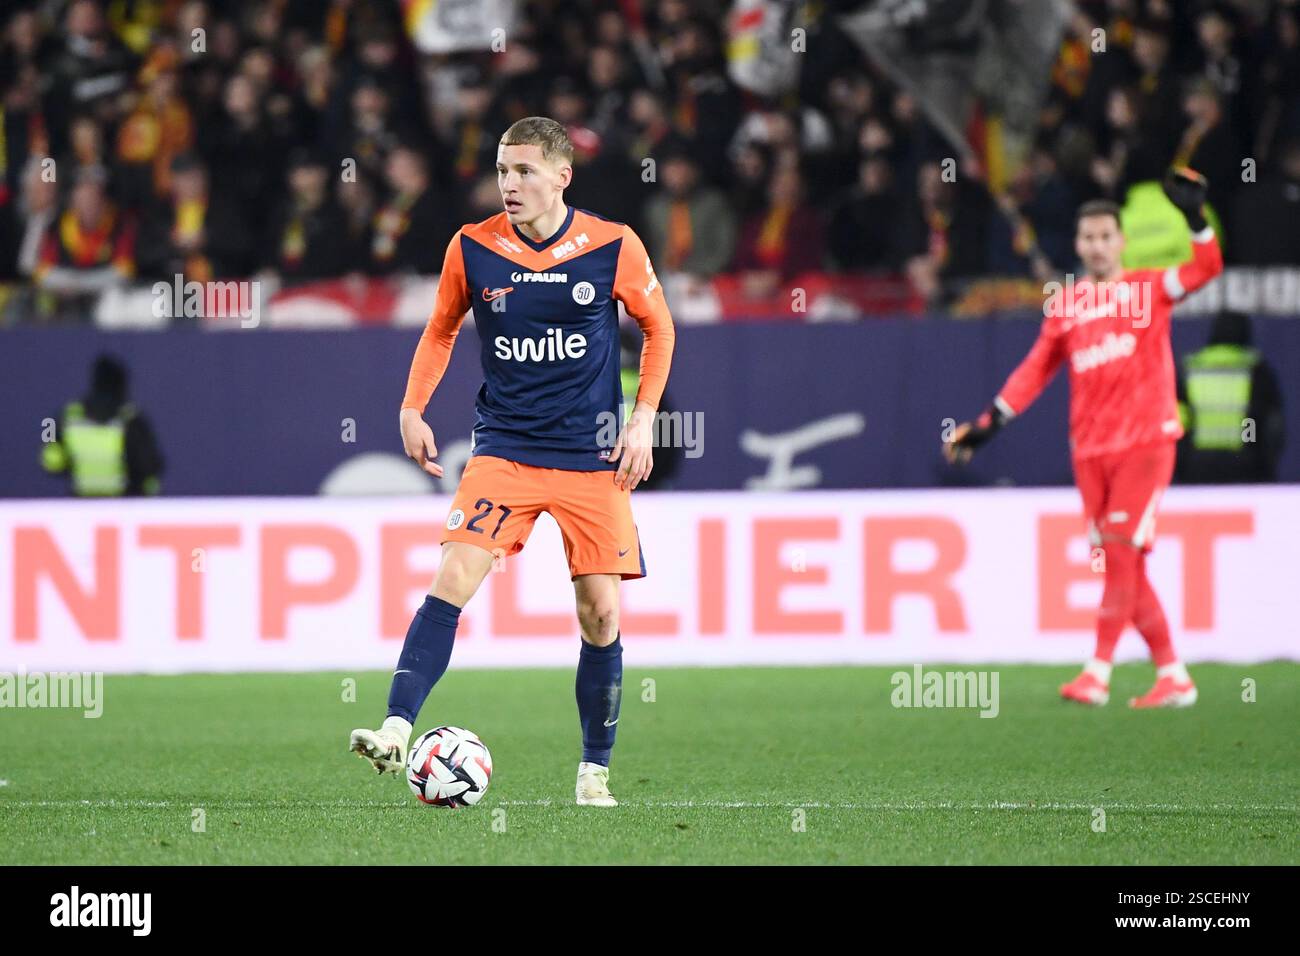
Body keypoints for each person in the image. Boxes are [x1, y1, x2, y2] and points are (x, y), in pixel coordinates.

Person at [349, 117, 676, 807]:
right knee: (454, 573)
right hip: (506, 448)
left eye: (525, 171)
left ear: (562, 176)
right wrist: (413, 407)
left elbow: (658, 325)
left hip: (592, 457)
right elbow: (440, 329)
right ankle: (395, 728)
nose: (510, 184)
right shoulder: (472, 247)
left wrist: (644, 418)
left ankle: (594, 772)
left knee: (601, 614)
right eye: (502, 170)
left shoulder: (612, 244)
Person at [943, 168, 1223, 709]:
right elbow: (1034, 371)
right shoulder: (1066, 305)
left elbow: (1206, 267)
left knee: (1119, 552)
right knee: (1127, 568)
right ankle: (1174, 676)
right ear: (1078, 244)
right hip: (1090, 452)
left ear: (1122, 241)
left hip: (1145, 442)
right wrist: (987, 426)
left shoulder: (1149, 289)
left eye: (1105, 237)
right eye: (1088, 238)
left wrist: (1195, 219)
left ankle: (1097, 672)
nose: (1097, 247)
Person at [1176, 311, 1285, 484]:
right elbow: (1256, 419)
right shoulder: (1255, 370)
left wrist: (1184, 461)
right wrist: (1251, 453)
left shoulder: (1189, 369)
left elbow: (1180, 421)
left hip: (1196, 466)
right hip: (1243, 465)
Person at [42, 354, 164, 496]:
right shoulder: (133, 420)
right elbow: (151, 465)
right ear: (122, 385)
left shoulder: (65, 416)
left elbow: (50, 458)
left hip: (81, 505)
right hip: (124, 507)